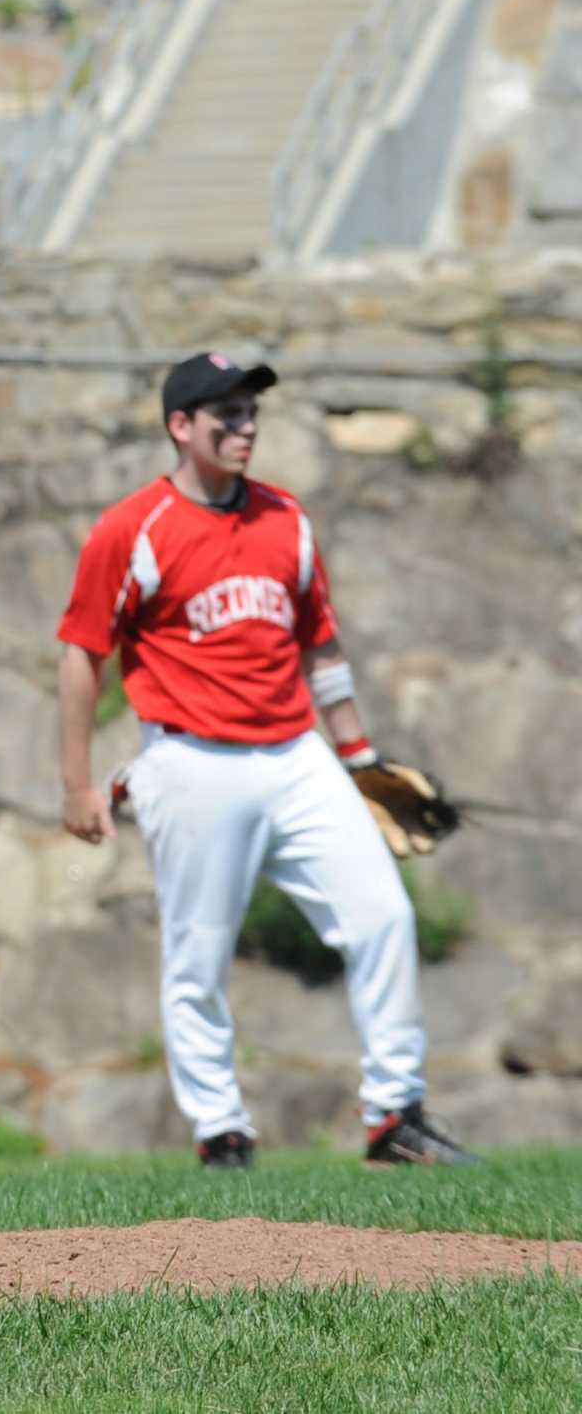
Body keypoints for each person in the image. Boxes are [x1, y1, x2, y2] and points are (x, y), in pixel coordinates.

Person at [55, 351, 476, 1172]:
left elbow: (322, 646)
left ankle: (395, 1117)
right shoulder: (133, 527)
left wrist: (358, 754)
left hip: (295, 753)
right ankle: (222, 1132)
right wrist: (77, 782)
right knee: (200, 954)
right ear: (181, 425)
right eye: (227, 413)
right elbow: (82, 653)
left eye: (251, 412)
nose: (245, 426)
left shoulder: (286, 517)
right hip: (191, 759)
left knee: (384, 916)